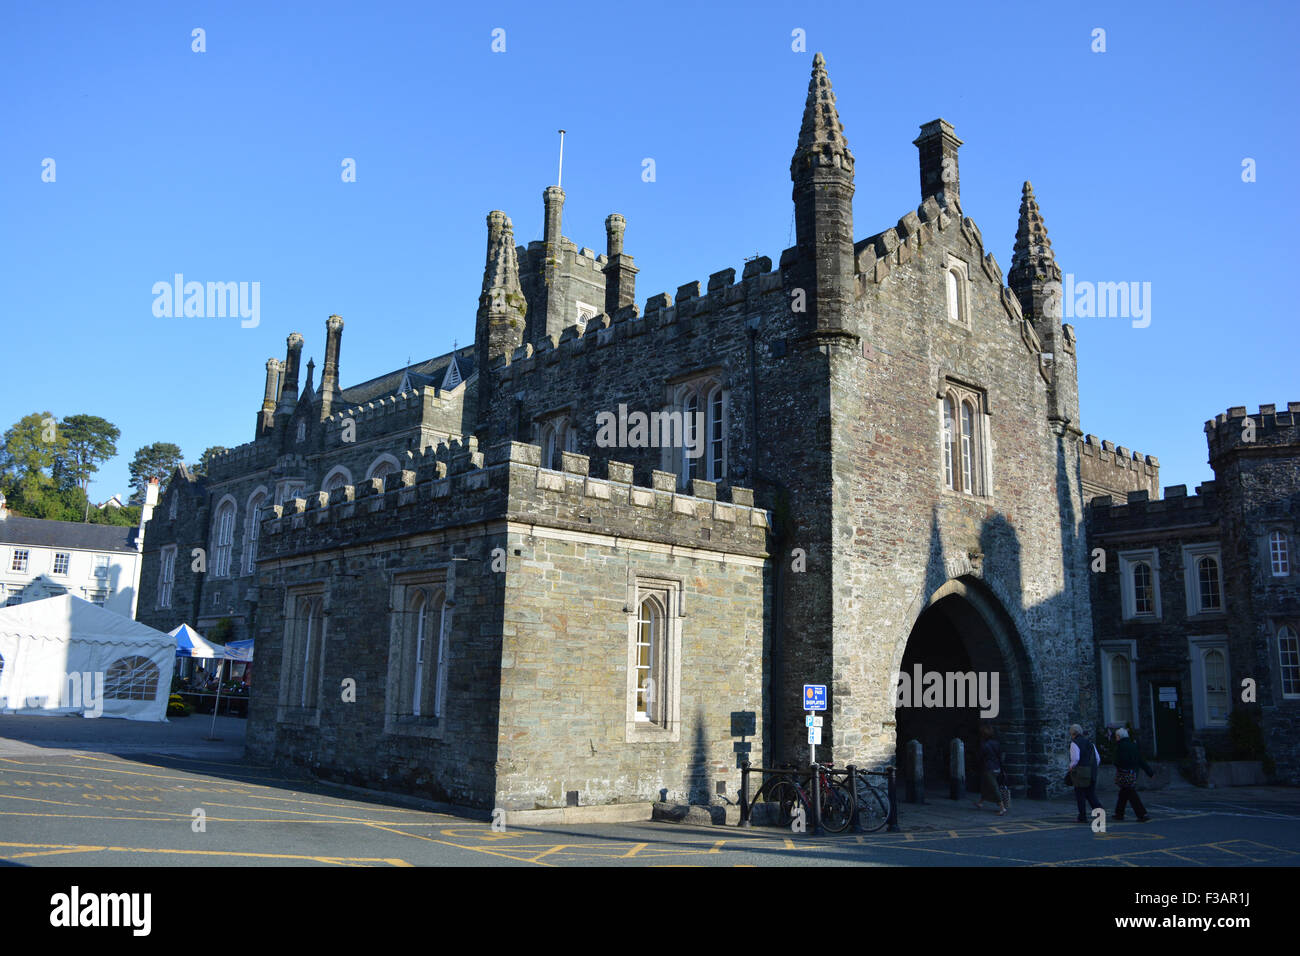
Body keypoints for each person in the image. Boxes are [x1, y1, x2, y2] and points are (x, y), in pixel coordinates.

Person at [1113, 727, 1154, 822]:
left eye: (1116, 736)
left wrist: (1118, 766)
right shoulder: (1133, 745)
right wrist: (1149, 772)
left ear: (1119, 736)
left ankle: (1142, 814)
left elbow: (1117, 760)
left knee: (1130, 793)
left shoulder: (1120, 746)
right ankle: (1119, 813)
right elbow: (1140, 760)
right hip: (1133, 772)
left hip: (1124, 773)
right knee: (1124, 793)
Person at [1068, 723, 1102, 822]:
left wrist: (1070, 767)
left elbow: (1075, 759)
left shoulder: (1074, 743)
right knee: (1091, 794)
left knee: (1080, 795)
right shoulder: (1090, 743)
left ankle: (1082, 816)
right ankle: (1100, 813)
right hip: (1092, 772)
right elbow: (1097, 759)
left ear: (1073, 733)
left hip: (1081, 773)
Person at [973, 725, 1009, 815]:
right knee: (986, 786)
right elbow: (1000, 756)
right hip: (997, 767)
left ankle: (1002, 808)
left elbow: (980, 757)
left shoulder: (984, 745)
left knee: (993, 787)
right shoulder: (996, 743)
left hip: (988, 768)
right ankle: (980, 803)